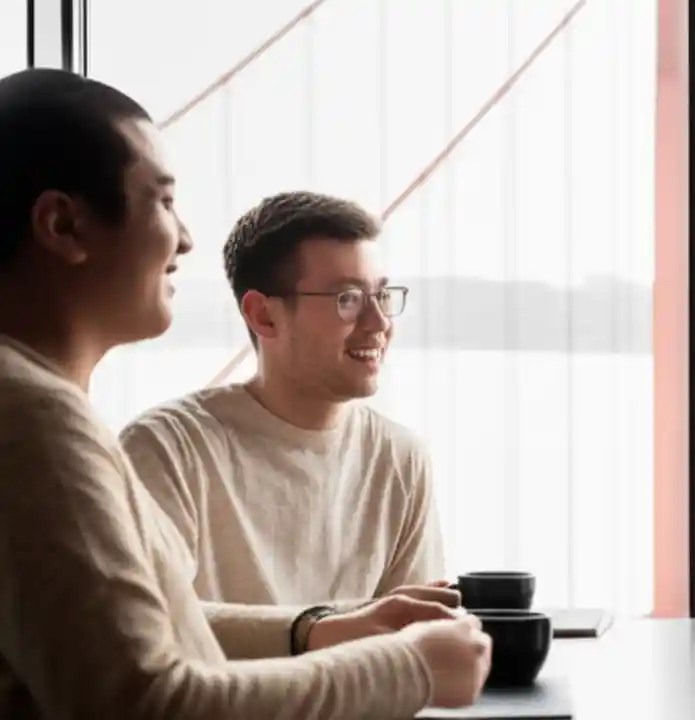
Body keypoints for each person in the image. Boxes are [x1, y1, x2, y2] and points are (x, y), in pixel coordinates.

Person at [0, 68, 489, 718]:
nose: (185, 237)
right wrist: (410, 667)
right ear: (63, 225)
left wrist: (319, 628)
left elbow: (156, 637)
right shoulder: (36, 422)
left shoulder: (39, 409)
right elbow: (145, 702)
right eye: (163, 200)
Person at [120, 190, 452, 609]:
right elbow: (150, 628)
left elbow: (413, 637)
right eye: (347, 298)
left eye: (382, 295)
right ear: (263, 315)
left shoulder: (400, 459)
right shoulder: (167, 449)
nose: (379, 323)